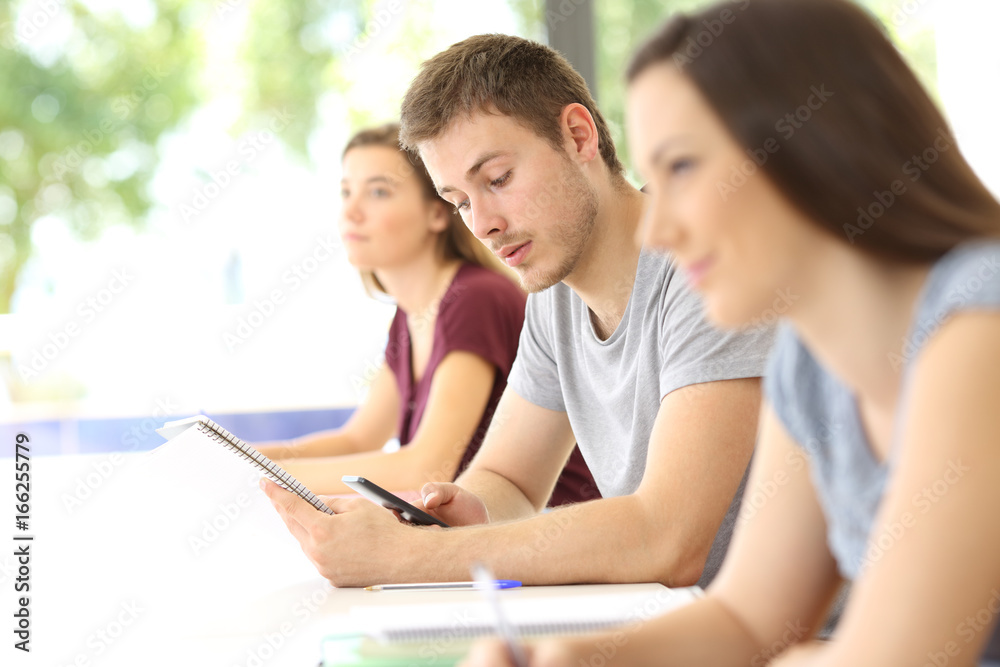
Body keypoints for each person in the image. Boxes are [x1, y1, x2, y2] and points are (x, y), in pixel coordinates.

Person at [461, 0, 1000, 664]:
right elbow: (749, 620)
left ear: (815, 142)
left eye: (683, 168)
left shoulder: (981, 322)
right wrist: (576, 658)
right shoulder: (810, 362)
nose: (656, 230)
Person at [260, 34, 774, 589]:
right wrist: (452, 514)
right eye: (458, 202)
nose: (482, 224)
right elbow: (510, 481)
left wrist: (405, 558)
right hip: (682, 623)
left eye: (498, 180)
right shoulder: (554, 297)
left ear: (578, 136)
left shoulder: (704, 265)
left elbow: (667, 540)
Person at [255, 123, 598, 505]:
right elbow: (358, 438)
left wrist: (258, 479)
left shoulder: (475, 299)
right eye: (346, 192)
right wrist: (245, 458)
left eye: (378, 192)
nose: (350, 212)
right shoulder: (409, 316)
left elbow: (426, 468)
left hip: (543, 541)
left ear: (438, 213)